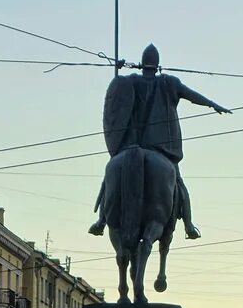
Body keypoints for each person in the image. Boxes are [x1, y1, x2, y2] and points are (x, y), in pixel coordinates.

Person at [92, 43, 231, 240]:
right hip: (162, 148)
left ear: (142, 63)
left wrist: (118, 72)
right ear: (157, 65)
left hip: (133, 145)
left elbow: (117, 100)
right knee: (178, 183)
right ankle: (189, 225)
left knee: (110, 176)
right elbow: (192, 96)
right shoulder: (169, 83)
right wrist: (213, 104)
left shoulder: (131, 81)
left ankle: (101, 220)